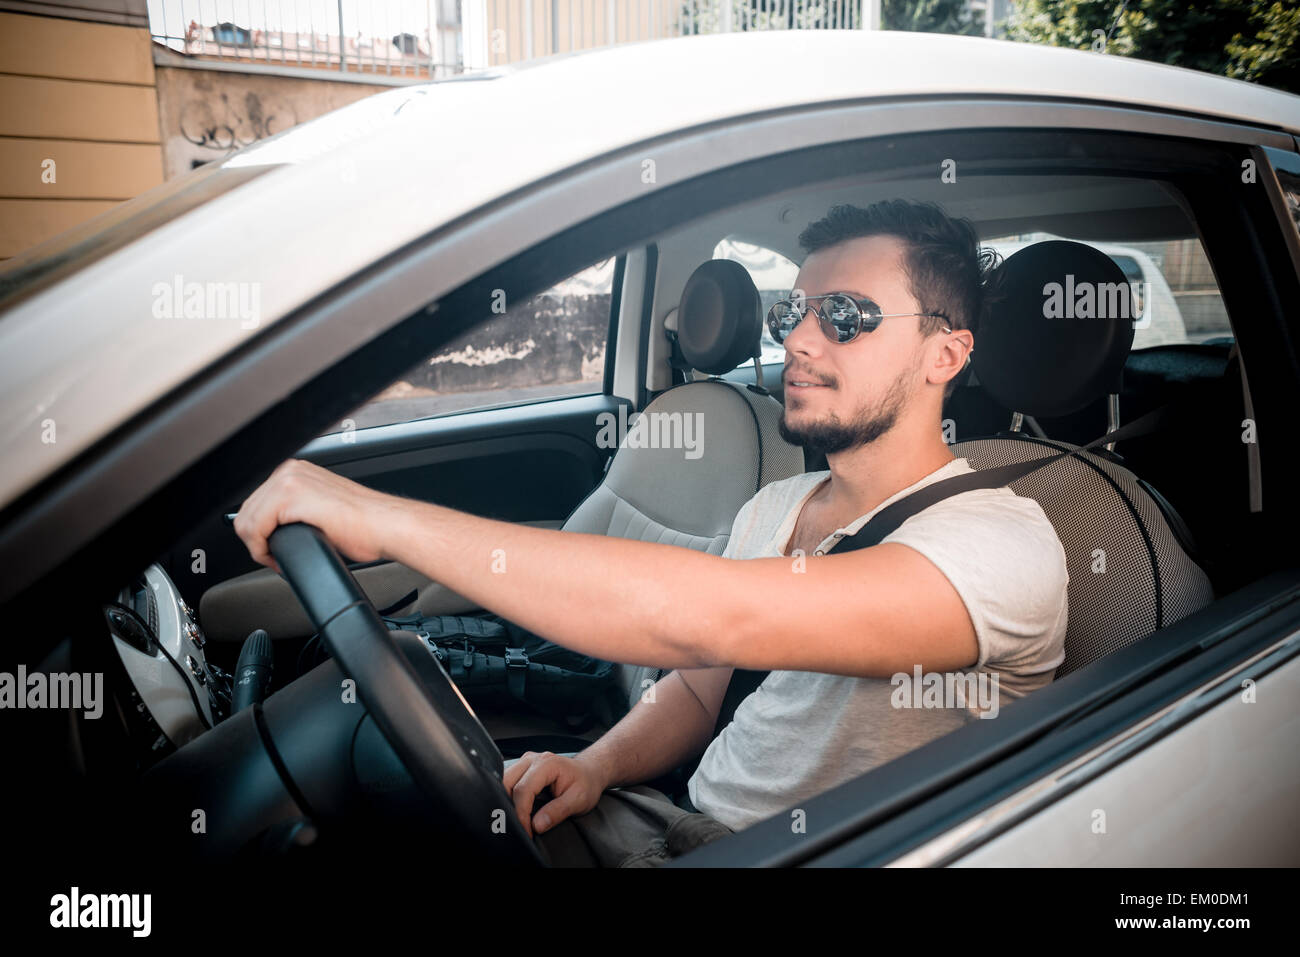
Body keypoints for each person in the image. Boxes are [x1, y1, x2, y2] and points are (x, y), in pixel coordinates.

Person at [233, 200, 1069, 867]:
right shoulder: (775, 506)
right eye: (794, 310)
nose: (800, 340)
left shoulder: (998, 543)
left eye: (846, 315)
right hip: (670, 816)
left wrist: (384, 519)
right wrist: (596, 763)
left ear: (944, 355)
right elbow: (699, 687)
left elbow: (709, 616)